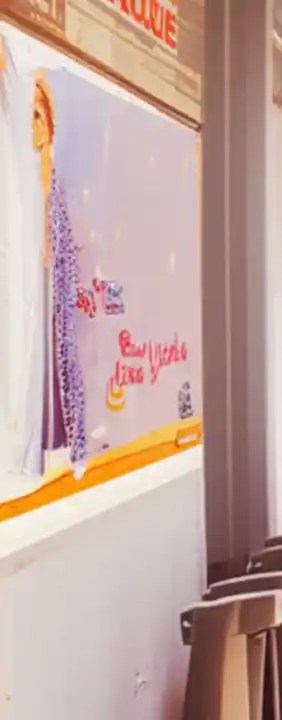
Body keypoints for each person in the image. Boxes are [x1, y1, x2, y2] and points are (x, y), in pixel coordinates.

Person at [33, 72, 87, 481]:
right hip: (34, 292)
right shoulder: (20, 183)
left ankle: (62, 443)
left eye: (38, 115)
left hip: (56, 295)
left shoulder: (56, 184)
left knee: (61, 368)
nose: (32, 126)